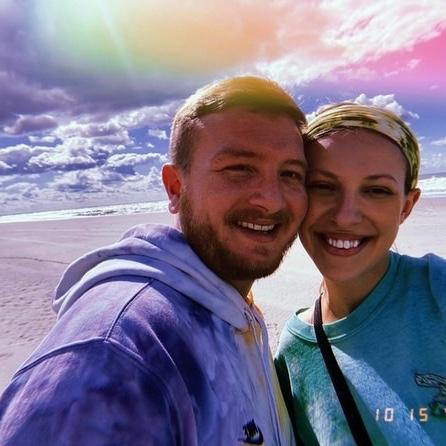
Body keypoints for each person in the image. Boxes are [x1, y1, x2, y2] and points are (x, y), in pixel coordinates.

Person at [0, 76, 308, 445]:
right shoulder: (116, 352)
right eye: (239, 168)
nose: (272, 200)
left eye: (291, 174)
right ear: (175, 188)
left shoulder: (234, 309)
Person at [275, 103, 446, 445]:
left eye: (376, 190)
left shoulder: (437, 289)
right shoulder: (293, 355)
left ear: (406, 206)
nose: (345, 216)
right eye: (323, 186)